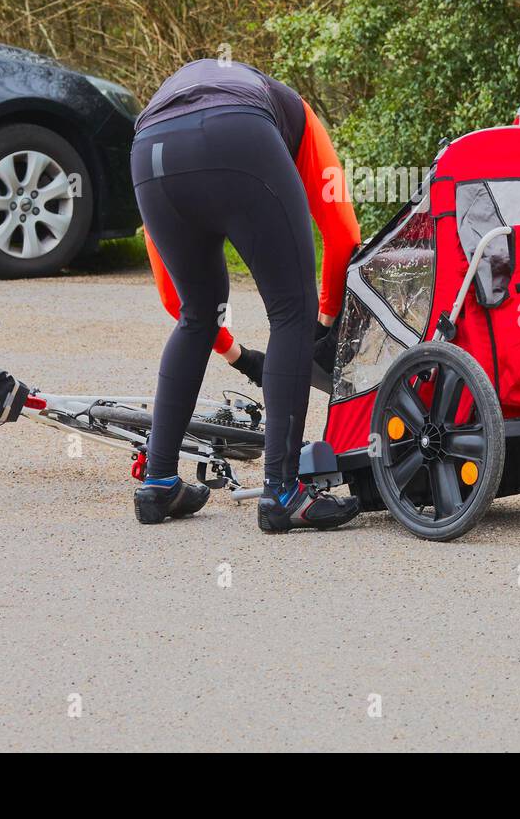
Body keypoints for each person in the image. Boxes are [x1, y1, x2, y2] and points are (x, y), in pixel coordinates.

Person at [130, 58, 362, 532]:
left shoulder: (173, 108)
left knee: (197, 313)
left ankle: (157, 484)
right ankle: (283, 492)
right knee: (290, 309)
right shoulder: (298, 113)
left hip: (148, 151)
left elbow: (177, 301)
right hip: (237, 137)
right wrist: (323, 322)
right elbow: (343, 235)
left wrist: (235, 353)